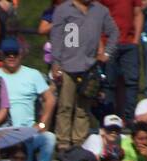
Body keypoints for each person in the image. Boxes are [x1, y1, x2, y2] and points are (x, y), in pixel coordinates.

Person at [50, 0, 120, 152]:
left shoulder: (100, 10)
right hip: (67, 65)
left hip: (89, 67)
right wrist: (55, 63)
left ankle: (78, 142)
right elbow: (56, 37)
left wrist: (107, 53)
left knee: (83, 108)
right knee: (65, 105)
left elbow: (114, 32)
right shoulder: (63, 9)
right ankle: (63, 142)